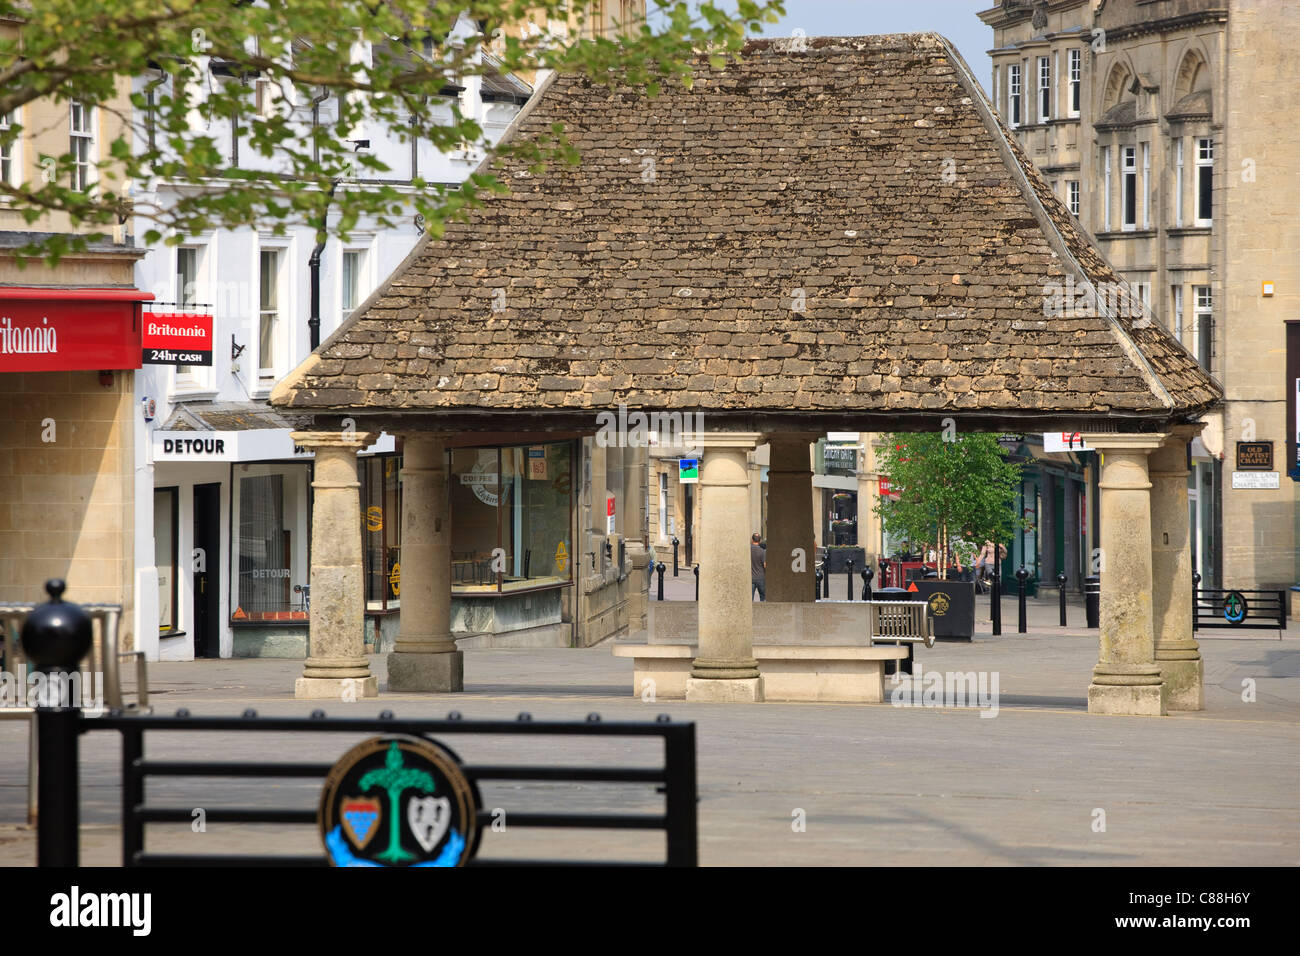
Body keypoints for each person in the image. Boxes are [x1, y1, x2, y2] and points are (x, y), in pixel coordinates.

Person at [750, 532, 766, 601]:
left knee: (750, 600)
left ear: (752, 540)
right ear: (760, 541)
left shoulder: (748, 551)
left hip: (751, 578)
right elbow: (765, 565)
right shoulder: (762, 551)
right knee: (763, 599)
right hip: (761, 578)